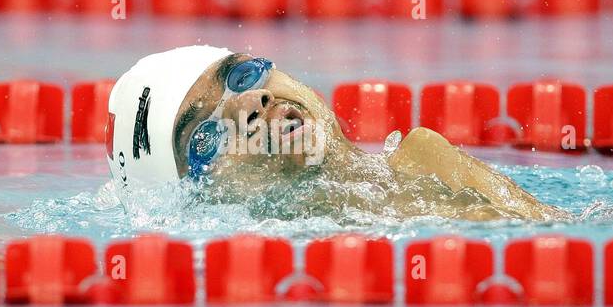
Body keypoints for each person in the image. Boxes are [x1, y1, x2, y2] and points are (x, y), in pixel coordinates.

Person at [106, 45, 564, 222]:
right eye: (206, 136)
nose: (252, 103)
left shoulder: (424, 159)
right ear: (195, 201)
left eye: (240, 76)